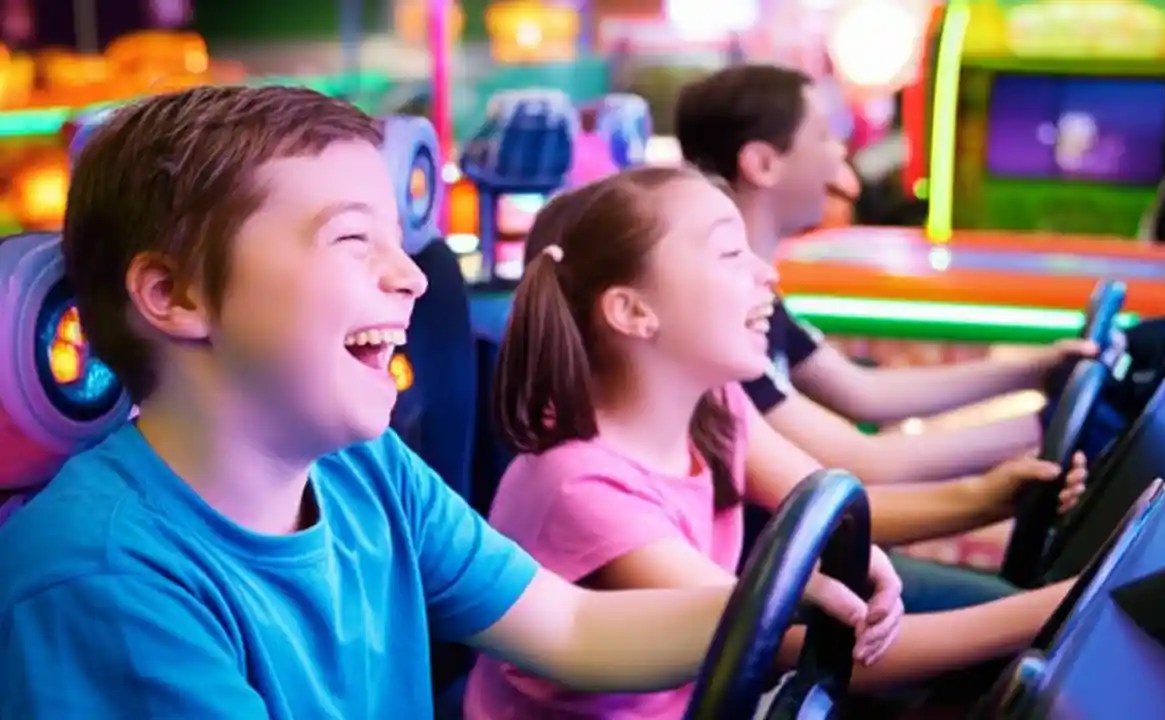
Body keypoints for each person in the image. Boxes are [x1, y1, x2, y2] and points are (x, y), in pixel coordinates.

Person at [0, 86, 884, 719]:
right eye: (353, 240)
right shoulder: (107, 579)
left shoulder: (365, 470)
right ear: (176, 295)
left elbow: (572, 625)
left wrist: (783, 597)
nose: (413, 277)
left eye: (398, 239)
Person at [464, 166, 1083, 719]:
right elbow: (776, 641)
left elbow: (838, 512)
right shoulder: (583, 488)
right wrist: (1065, 603)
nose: (767, 273)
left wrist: (987, 497)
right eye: (731, 253)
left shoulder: (717, 408)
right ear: (632, 311)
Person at [674, 64, 1097, 487]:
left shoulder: (757, 297)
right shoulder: (717, 317)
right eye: (822, 136)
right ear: (763, 163)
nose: (840, 153)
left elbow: (865, 393)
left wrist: (1036, 371)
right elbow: (862, 463)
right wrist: (1055, 425)